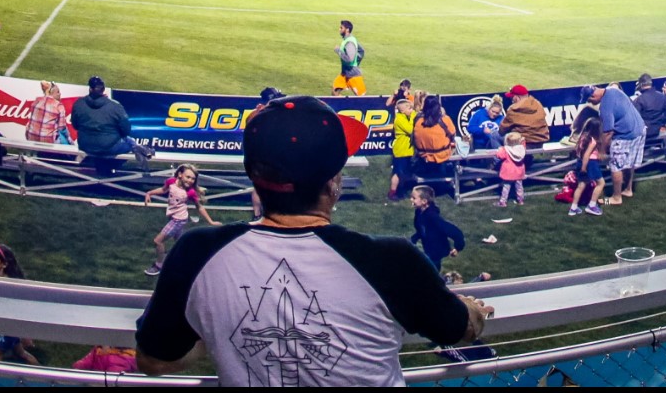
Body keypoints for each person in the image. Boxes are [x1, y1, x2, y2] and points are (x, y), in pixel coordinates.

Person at [134, 95, 489, 384]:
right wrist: (471, 308)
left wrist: (221, 336)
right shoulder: (392, 259)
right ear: (334, 183)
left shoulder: (196, 252)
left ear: (252, 175)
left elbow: (153, 360)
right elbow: (461, 329)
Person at [144, 165, 218, 276]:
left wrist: (211, 221)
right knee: (180, 242)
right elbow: (163, 190)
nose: (190, 181)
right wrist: (149, 193)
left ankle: (159, 266)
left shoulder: (190, 192)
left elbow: (200, 207)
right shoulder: (171, 182)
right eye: (188, 177)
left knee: (158, 241)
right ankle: (193, 260)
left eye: (193, 179)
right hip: (173, 217)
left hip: (178, 220)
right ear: (180, 174)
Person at [585, 83, 645, 204]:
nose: (591, 103)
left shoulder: (605, 106)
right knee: (629, 162)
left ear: (593, 95)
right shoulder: (613, 90)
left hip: (626, 134)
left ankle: (616, 198)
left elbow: (608, 132)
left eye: (590, 100)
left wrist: (601, 151)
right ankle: (628, 190)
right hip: (640, 129)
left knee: (615, 165)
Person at [71, 76, 141, 159]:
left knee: (127, 141)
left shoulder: (78, 103)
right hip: (108, 147)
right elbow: (126, 130)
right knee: (130, 142)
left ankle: (100, 165)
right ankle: (110, 167)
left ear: (90, 88)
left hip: (85, 145)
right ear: (103, 89)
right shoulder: (115, 106)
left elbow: (75, 125)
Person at [409, 185, 465, 270]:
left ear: (424, 201)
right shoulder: (419, 212)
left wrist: (458, 247)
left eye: (414, 198)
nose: (411, 199)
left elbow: (453, 231)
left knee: (431, 269)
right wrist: (414, 238)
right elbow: (422, 228)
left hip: (436, 250)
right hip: (428, 246)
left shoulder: (433, 217)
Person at [411, 94, 459, 185]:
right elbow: (453, 134)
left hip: (422, 154)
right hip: (442, 154)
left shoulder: (417, 120)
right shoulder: (445, 119)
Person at [568, 115, 606, 217]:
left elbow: (578, 152)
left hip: (580, 161)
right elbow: (586, 155)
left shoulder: (582, 137)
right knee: (601, 183)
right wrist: (584, 168)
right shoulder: (592, 141)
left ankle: (573, 208)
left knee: (581, 185)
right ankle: (592, 206)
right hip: (590, 163)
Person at [387, 92, 417, 199]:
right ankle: (393, 192)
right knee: (398, 173)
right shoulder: (399, 119)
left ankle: (401, 191)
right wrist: (413, 116)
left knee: (404, 173)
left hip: (407, 151)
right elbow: (411, 130)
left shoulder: (405, 117)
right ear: (403, 110)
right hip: (401, 151)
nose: (412, 110)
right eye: (409, 109)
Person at [23, 80, 70, 144]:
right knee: (65, 140)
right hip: (48, 140)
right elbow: (62, 128)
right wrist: (69, 139)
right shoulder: (58, 105)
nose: (60, 94)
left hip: (30, 137)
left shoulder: (37, 101)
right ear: (51, 93)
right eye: (58, 92)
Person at [333, 20, 367, 96]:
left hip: (353, 74)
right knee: (335, 92)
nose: (339, 29)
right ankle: (344, 103)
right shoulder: (350, 39)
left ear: (347, 29)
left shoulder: (349, 42)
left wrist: (338, 50)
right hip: (345, 73)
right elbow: (362, 51)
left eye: (341, 28)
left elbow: (349, 59)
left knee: (362, 98)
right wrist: (357, 62)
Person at [495, 132, 529, 206]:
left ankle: (503, 201)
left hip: (509, 172)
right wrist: (523, 140)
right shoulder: (521, 149)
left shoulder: (506, 149)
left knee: (506, 187)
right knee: (519, 187)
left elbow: (499, 155)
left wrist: (499, 149)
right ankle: (520, 200)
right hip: (519, 171)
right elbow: (523, 144)